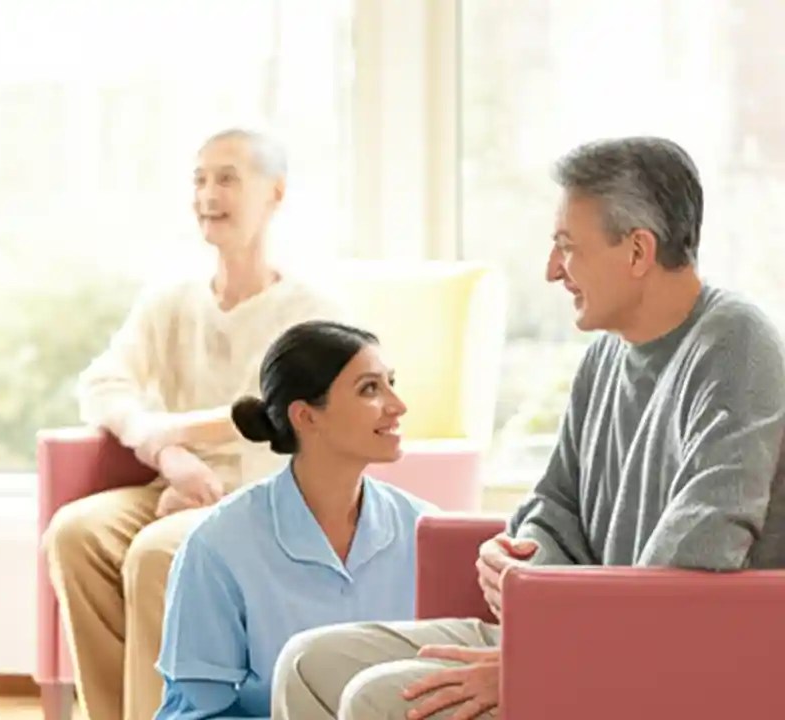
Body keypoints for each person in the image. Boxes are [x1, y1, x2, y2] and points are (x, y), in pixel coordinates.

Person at [271, 136, 785, 720]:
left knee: (376, 698)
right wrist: (519, 559)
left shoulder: (737, 347)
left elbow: (692, 563)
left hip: (658, 662)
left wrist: (543, 660)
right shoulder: (605, 355)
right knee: (305, 663)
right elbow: (555, 504)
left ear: (638, 251)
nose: (552, 270)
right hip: (576, 634)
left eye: (568, 247)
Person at [45, 128, 344, 720]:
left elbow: (279, 413)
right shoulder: (172, 300)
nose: (208, 194)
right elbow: (102, 384)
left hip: (267, 498)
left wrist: (175, 438)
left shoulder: (311, 311)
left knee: (158, 552)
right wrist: (166, 454)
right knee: (75, 533)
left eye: (227, 178)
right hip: (173, 486)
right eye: (199, 179)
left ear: (275, 193)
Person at [155, 320, 433, 720]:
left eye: (391, 383)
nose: (398, 405)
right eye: (370, 389)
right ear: (305, 416)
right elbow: (196, 712)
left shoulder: (426, 531)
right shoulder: (217, 547)